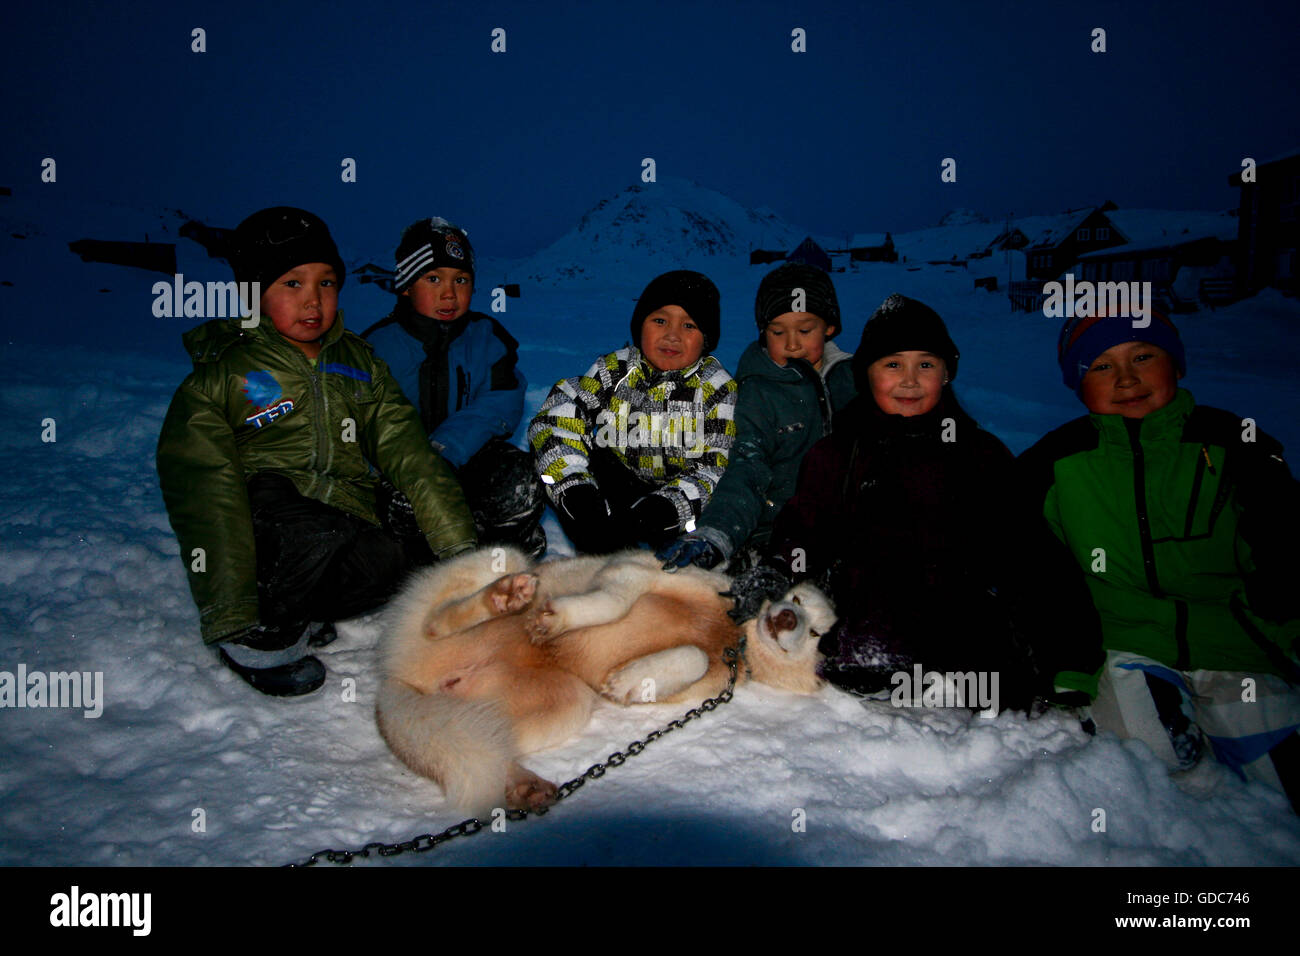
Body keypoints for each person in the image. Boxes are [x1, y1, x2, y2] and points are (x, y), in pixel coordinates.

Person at [156, 207, 476, 697]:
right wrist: (229, 611)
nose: (313, 301)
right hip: (265, 527)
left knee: (408, 555)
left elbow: (409, 455)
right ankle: (259, 634)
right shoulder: (222, 376)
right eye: (292, 284)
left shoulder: (358, 363)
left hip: (338, 523)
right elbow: (206, 499)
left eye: (326, 283)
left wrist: (461, 558)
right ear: (253, 293)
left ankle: (308, 607)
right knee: (306, 528)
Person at [1020, 310, 1300, 809]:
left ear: (1177, 364)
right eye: (1101, 366)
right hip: (1123, 641)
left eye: (1143, 357)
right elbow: (1026, 560)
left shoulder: (1235, 443)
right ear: (1078, 384)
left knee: (1279, 775)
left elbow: (1285, 545)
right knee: (1157, 752)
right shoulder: (1055, 461)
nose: (1126, 378)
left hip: (1235, 642)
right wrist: (1064, 663)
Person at [761, 293, 1034, 710]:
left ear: (946, 373)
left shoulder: (980, 454)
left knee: (998, 680)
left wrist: (1058, 648)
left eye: (925, 364)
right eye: (892, 365)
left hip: (961, 612)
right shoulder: (838, 453)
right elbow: (805, 526)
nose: (909, 380)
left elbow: (1024, 549)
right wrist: (778, 569)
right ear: (867, 375)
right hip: (869, 612)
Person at [362, 217, 545, 557]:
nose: (449, 293)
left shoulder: (486, 337)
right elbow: (365, 423)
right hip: (400, 473)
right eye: (433, 279)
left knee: (518, 478)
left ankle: (501, 555)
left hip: (466, 457)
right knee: (402, 520)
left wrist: (445, 450)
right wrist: (412, 468)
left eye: (461, 280)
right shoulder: (376, 349)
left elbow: (500, 401)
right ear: (405, 286)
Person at [658, 263, 855, 571]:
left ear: (829, 327)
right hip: (773, 536)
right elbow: (746, 468)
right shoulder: (758, 393)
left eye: (805, 330)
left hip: (850, 532)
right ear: (764, 333)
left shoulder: (856, 381)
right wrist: (717, 533)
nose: (792, 344)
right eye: (778, 332)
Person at [529, 270, 738, 554]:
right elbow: (557, 418)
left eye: (689, 326)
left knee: (700, 531)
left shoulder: (718, 389)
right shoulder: (614, 370)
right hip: (612, 488)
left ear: (706, 339)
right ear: (640, 326)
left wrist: (669, 507)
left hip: (676, 505)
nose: (672, 335)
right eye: (660, 321)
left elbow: (717, 466)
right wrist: (574, 487)